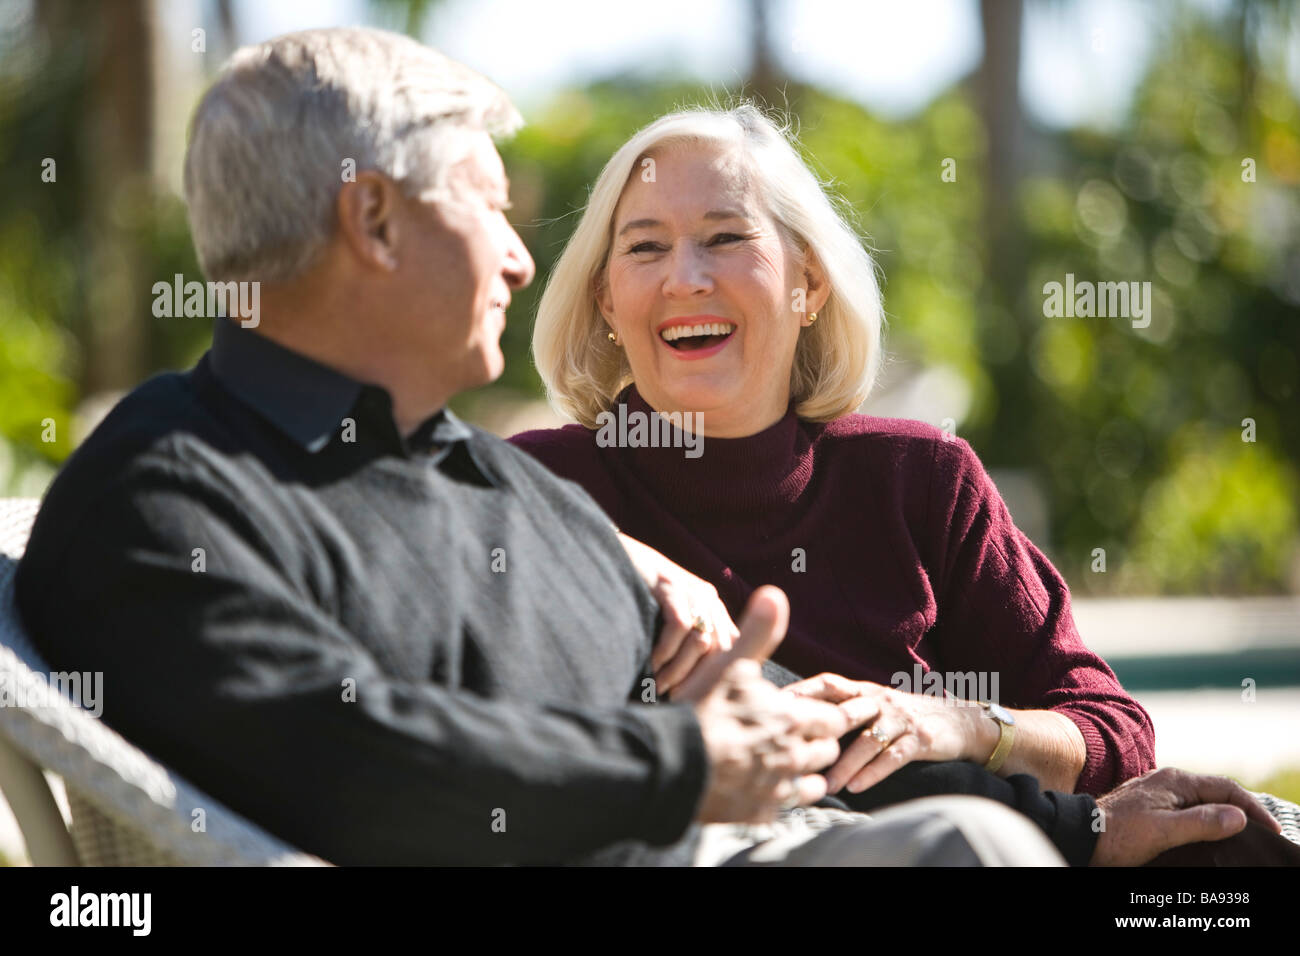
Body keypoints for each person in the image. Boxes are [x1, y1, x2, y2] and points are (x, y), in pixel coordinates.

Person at [15, 28, 1276, 867]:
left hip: (765, 840)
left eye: (726, 238)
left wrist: (1075, 823)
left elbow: (763, 720)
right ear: (376, 220)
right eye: (494, 212)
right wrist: (685, 764)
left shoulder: (476, 471)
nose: (520, 257)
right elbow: (352, 760)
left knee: (1229, 857)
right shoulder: (169, 489)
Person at [510, 104, 1153, 800]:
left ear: (807, 284)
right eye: (644, 248)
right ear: (606, 300)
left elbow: (1115, 738)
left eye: (725, 236)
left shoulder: (925, 480)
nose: (685, 278)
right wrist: (610, 547)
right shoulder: (533, 483)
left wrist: (963, 725)